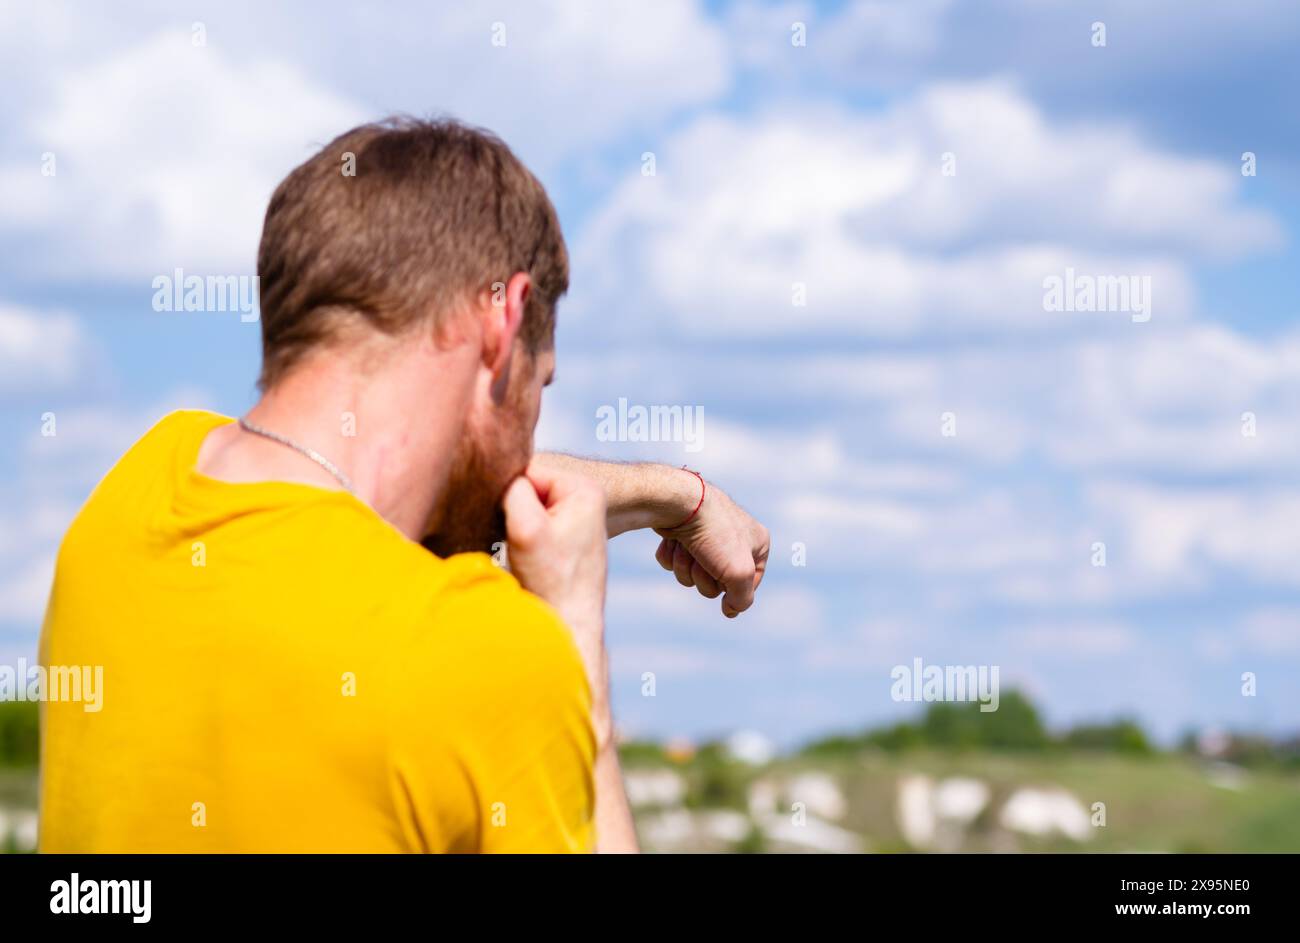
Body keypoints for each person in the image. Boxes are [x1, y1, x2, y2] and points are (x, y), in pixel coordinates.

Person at [38, 117, 769, 853]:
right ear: (505, 314)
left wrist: (680, 497)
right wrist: (578, 652)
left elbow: (369, 494)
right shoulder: (489, 656)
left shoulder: (134, 491)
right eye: (540, 384)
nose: (528, 441)